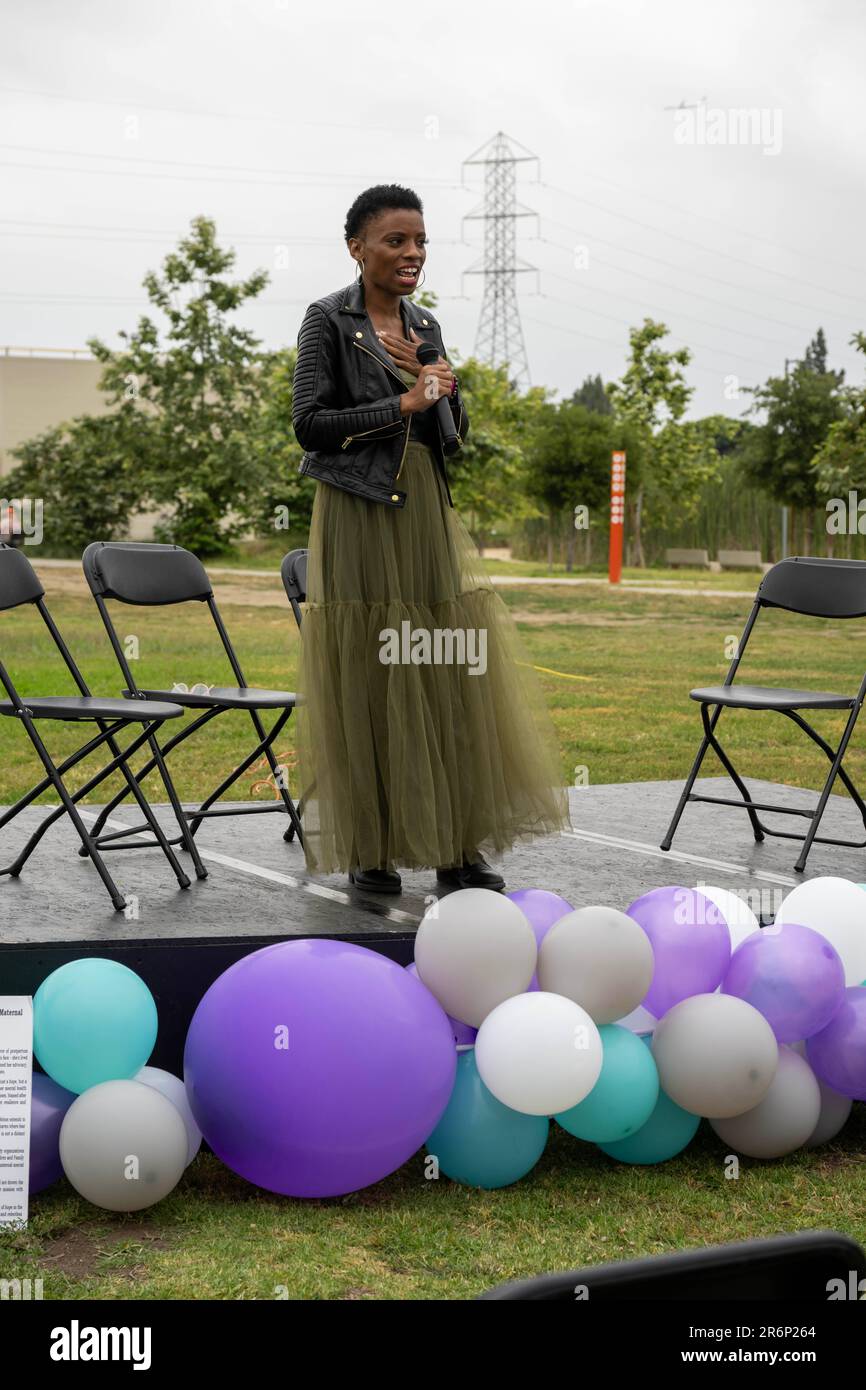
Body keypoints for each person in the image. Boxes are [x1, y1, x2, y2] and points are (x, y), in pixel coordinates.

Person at [291, 183, 570, 894]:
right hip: (359, 513)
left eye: (420, 241)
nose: (412, 253)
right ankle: (372, 851)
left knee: (446, 670)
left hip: (425, 512)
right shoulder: (327, 320)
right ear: (357, 247)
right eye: (396, 240)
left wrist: (439, 384)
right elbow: (310, 425)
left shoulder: (426, 324)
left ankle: (455, 845)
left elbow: (452, 432)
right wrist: (402, 403)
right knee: (372, 673)